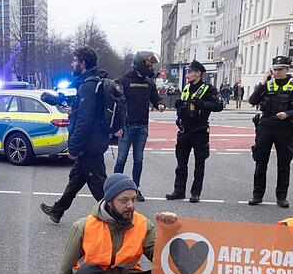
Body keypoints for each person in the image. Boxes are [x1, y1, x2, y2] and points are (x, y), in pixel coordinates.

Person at [51, 173, 178, 274]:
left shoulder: (143, 224)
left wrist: (168, 233)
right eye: (124, 200)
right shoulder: (84, 225)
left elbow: (162, 260)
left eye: (133, 199)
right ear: (109, 201)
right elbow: (67, 264)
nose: (130, 205)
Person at [40, 46, 109, 224]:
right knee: (76, 178)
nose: (72, 64)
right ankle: (57, 210)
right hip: (93, 141)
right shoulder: (92, 82)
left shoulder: (88, 86)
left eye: (74, 61)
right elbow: (86, 113)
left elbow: (85, 120)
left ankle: (117, 219)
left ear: (83, 63)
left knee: (98, 186)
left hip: (89, 145)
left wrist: (75, 147)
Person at [247, 56, 293, 208]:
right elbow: (253, 100)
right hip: (266, 126)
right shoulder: (267, 84)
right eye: (275, 69)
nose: (277, 72)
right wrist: (262, 82)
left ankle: (281, 197)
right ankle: (257, 195)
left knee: (284, 164)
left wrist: (288, 114)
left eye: (280, 69)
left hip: (285, 127)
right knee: (261, 162)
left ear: (287, 69)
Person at [166, 60, 223, 203]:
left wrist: (202, 104)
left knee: (199, 163)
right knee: (181, 163)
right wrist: (180, 110)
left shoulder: (208, 89)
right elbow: (184, 106)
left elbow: (219, 105)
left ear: (198, 73)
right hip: (185, 131)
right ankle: (179, 191)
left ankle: (195, 193)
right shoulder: (186, 88)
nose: (188, 75)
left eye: (190, 72)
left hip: (200, 131)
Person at [115, 50, 165, 201]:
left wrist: (160, 105)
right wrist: (117, 126)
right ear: (140, 64)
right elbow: (115, 104)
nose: (151, 68)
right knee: (121, 159)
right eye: (148, 64)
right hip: (126, 126)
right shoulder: (123, 80)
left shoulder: (149, 83)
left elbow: (156, 99)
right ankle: (116, 188)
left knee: (138, 160)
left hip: (142, 126)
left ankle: (135, 190)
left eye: (151, 65)